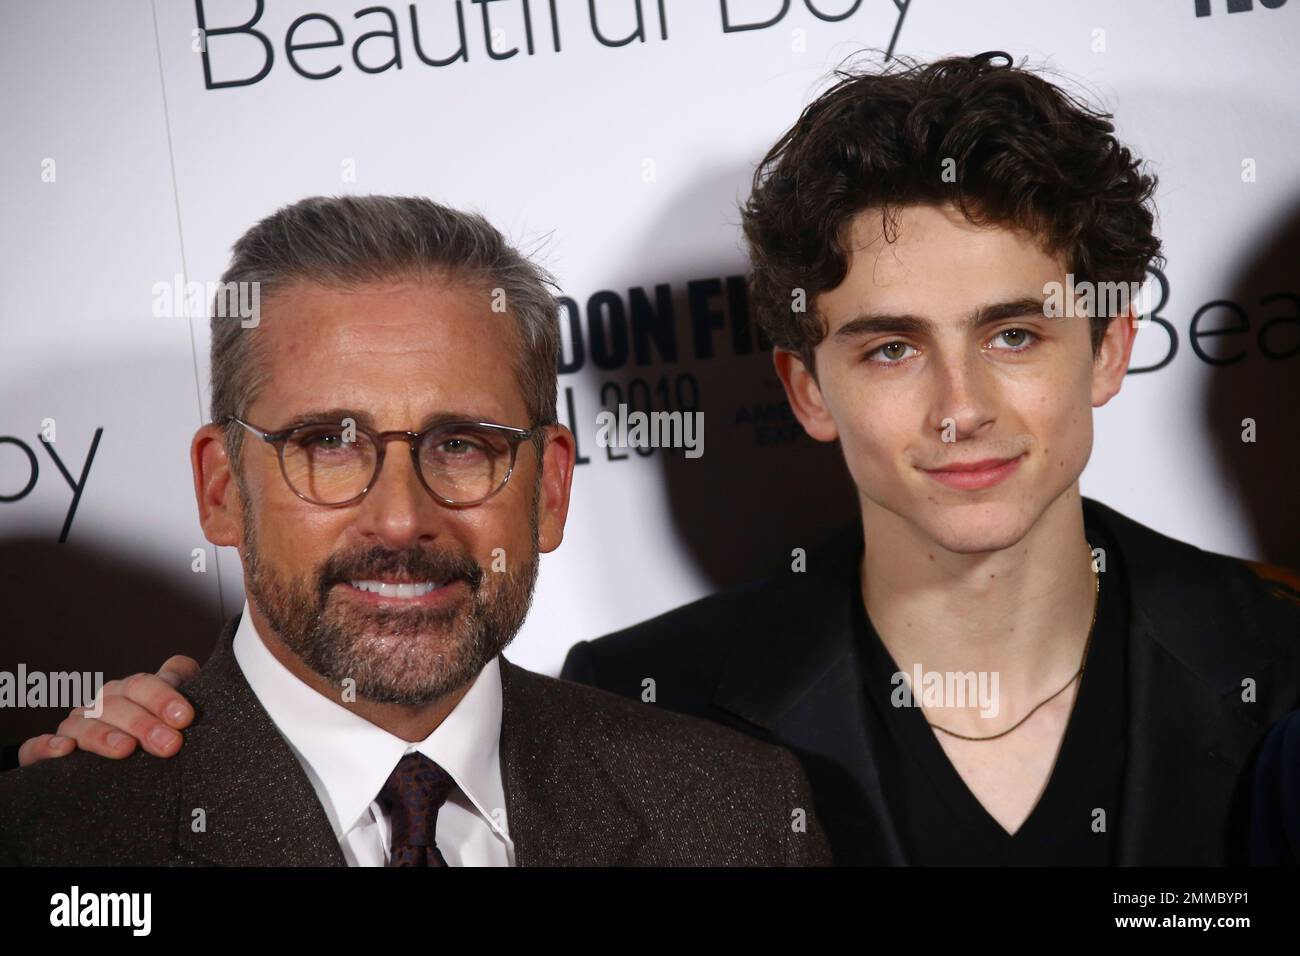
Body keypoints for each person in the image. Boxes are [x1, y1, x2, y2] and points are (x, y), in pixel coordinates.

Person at [17, 52, 1300, 866]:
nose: (962, 406)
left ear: (1114, 343)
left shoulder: (1279, 665)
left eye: (1013, 334)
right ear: (805, 384)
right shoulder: (655, 697)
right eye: (893, 348)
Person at [0, 194, 829, 867]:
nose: (401, 518)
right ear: (222, 489)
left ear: (549, 489)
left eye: (462, 445)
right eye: (326, 444)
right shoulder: (56, 841)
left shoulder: (735, 820)